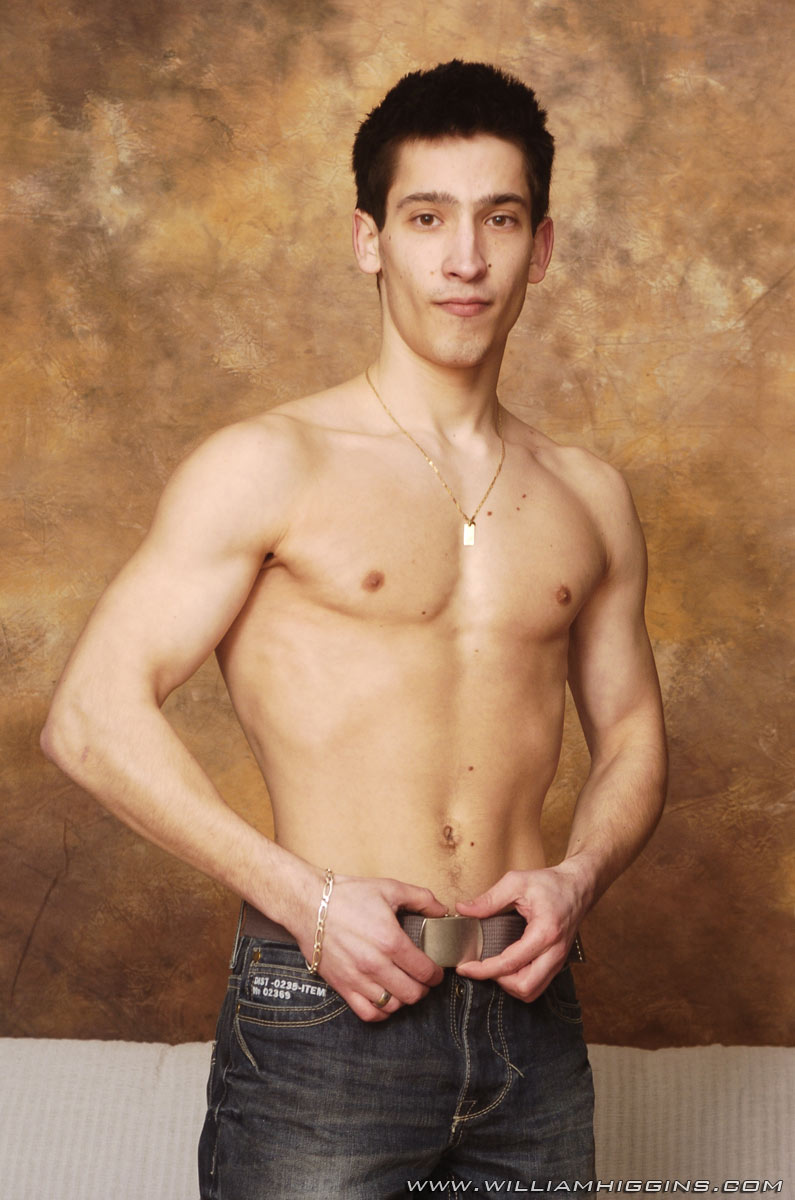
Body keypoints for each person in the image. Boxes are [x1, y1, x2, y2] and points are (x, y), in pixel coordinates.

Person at [41, 59, 667, 1197]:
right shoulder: (268, 464)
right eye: (427, 218)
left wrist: (578, 879)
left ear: (542, 247)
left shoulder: (588, 496)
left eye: (499, 219)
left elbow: (630, 736)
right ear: (369, 241)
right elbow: (89, 719)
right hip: (325, 1011)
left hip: (530, 1022)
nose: (464, 258)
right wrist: (309, 901)